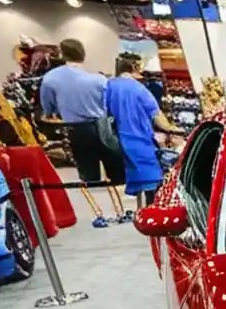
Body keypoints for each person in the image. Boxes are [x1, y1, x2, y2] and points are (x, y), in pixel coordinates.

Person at [39, 38, 126, 226]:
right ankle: (122, 211)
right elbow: (110, 105)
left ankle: (98, 214)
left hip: (76, 128)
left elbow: (48, 108)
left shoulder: (51, 78)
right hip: (103, 126)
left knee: (89, 177)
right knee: (117, 173)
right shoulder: (100, 79)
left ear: (62, 54)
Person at [104, 54, 184, 206]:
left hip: (118, 140)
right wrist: (173, 129)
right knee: (150, 182)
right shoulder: (139, 89)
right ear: (133, 69)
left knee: (136, 181)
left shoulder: (109, 86)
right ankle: (148, 213)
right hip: (140, 141)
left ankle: (139, 211)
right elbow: (158, 117)